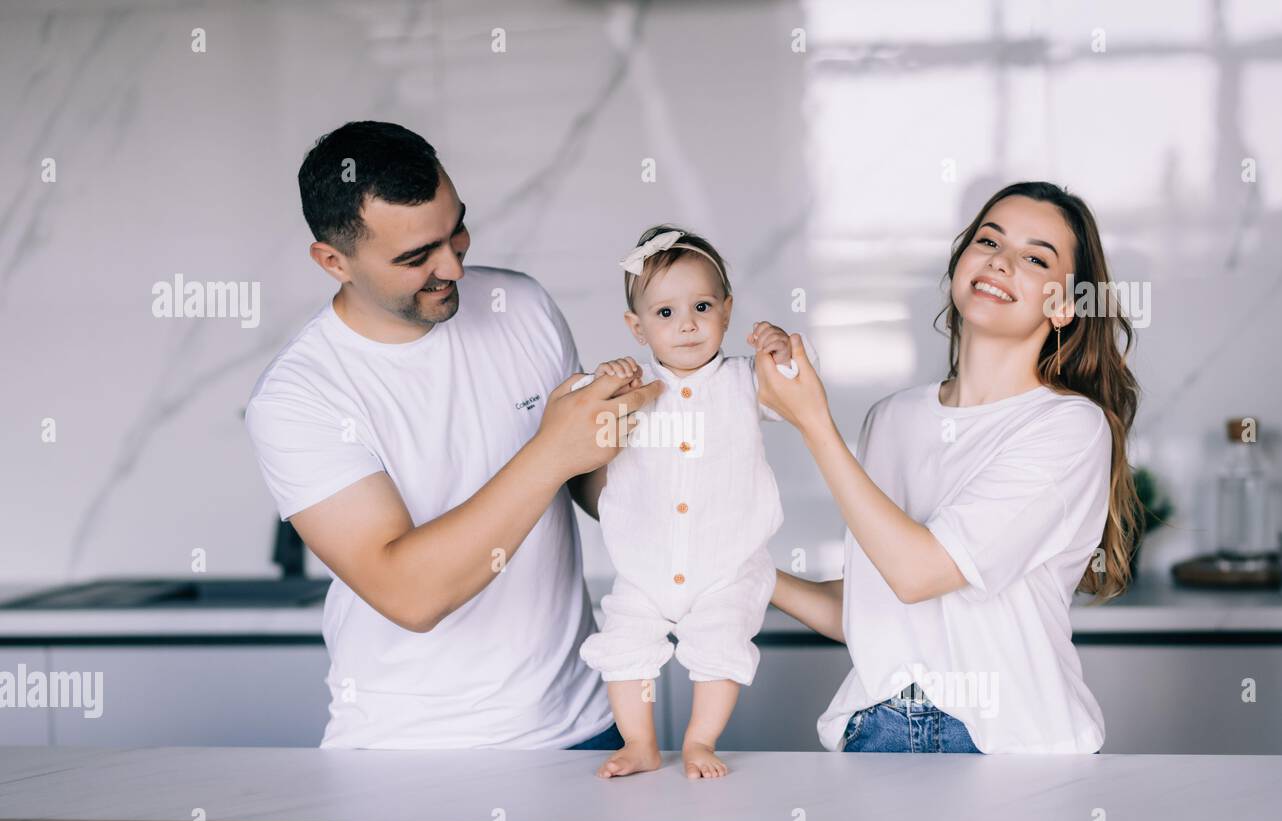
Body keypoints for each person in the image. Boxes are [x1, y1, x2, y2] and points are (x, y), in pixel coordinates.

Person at [243, 121, 661, 749]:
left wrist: (674, 447)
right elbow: (410, 593)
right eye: (416, 257)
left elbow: (587, 484)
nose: (453, 267)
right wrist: (552, 450)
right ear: (334, 262)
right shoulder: (300, 396)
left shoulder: (520, 304)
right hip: (413, 750)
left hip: (588, 727)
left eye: (456, 229)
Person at [758, 181, 1140, 754]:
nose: (1002, 261)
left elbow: (922, 575)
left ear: (1063, 304)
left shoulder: (1068, 427)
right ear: (961, 263)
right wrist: (742, 569)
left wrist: (814, 424)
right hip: (874, 729)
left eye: (1035, 257)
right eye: (989, 240)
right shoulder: (891, 418)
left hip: (1004, 743)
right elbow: (875, 603)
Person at [568, 225, 810, 779]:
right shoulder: (631, 389)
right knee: (624, 645)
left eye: (702, 306)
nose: (688, 325)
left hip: (727, 561)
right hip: (644, 561)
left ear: (727, 311)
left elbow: (795, 388)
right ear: (637, 327)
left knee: (720, 644)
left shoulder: (747, 382)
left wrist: (783, 351)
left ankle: (701, 741)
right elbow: (581, 428)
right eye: (665, 313)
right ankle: (640, 743)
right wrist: (600, 385)